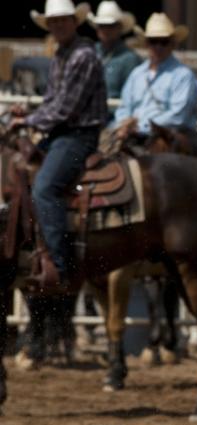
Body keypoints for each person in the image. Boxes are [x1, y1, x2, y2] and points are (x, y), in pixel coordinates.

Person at [9, 0, 107, 291]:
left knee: (45, 187)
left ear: (74, 22)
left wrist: (28, 121)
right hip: (61, 133)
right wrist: (29, 114)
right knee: (19, 171)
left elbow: (66, 108)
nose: (58, 25)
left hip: (79, 136)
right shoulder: (61, 55)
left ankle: (59, 265)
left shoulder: (82, 56)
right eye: (53, 21)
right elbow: (53, 102)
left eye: (63, 20)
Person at [112, 13, 197, 140]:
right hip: (132, 135)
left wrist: (140, 126)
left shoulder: (183, 75)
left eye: (163, 42)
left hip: (166, 139)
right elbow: (124, 107)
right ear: (146, 44)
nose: (158, 47)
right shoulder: (137, 73)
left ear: (172, 44)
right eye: (153, 41)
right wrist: (124, 124)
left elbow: (178, 117)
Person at [89, 1, 140, 101]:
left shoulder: (129, 58)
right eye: (102, 25)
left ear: (119, 28)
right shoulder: (90, 51)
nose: (106, 30)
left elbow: (132, 95)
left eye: (110, 26)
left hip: (115, 109)